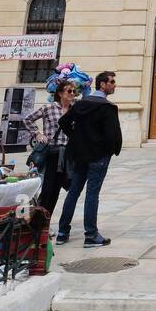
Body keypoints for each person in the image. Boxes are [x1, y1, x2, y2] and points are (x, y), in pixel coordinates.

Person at [56, 71, 121, 247]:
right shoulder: (106, 107)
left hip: (80, 155)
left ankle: (62, 232)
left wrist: (77, 139)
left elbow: (63, 122)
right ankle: (91, 234)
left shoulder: (81, 104)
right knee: (92, 194)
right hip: (97, 157)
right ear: (102, 84)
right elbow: (111, 135)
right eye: (112, 82)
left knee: (74, 191)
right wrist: (110, 150)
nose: (115, 85)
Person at [23, 79, 78, 221]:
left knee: (57, 190)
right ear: (60, 93)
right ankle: (37, 222)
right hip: (52, 152)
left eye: (74, 91)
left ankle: (46, 221)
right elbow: (28, 119)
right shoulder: (49, 108)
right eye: (69, 91)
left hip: (67, 153)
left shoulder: (75, 109)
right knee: (48, 189)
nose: (72, 94)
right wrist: (37, 134)